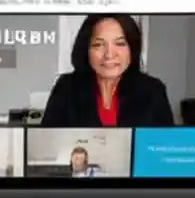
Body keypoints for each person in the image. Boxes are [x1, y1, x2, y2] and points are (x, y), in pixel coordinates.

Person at [40, 14, 174, 128]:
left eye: (120, 43)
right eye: (99, 44)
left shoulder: (153, 90)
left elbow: (164, 149)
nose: (109, 54)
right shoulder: (66, 88)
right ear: (86, 49)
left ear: (132, 48)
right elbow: (47, 144)